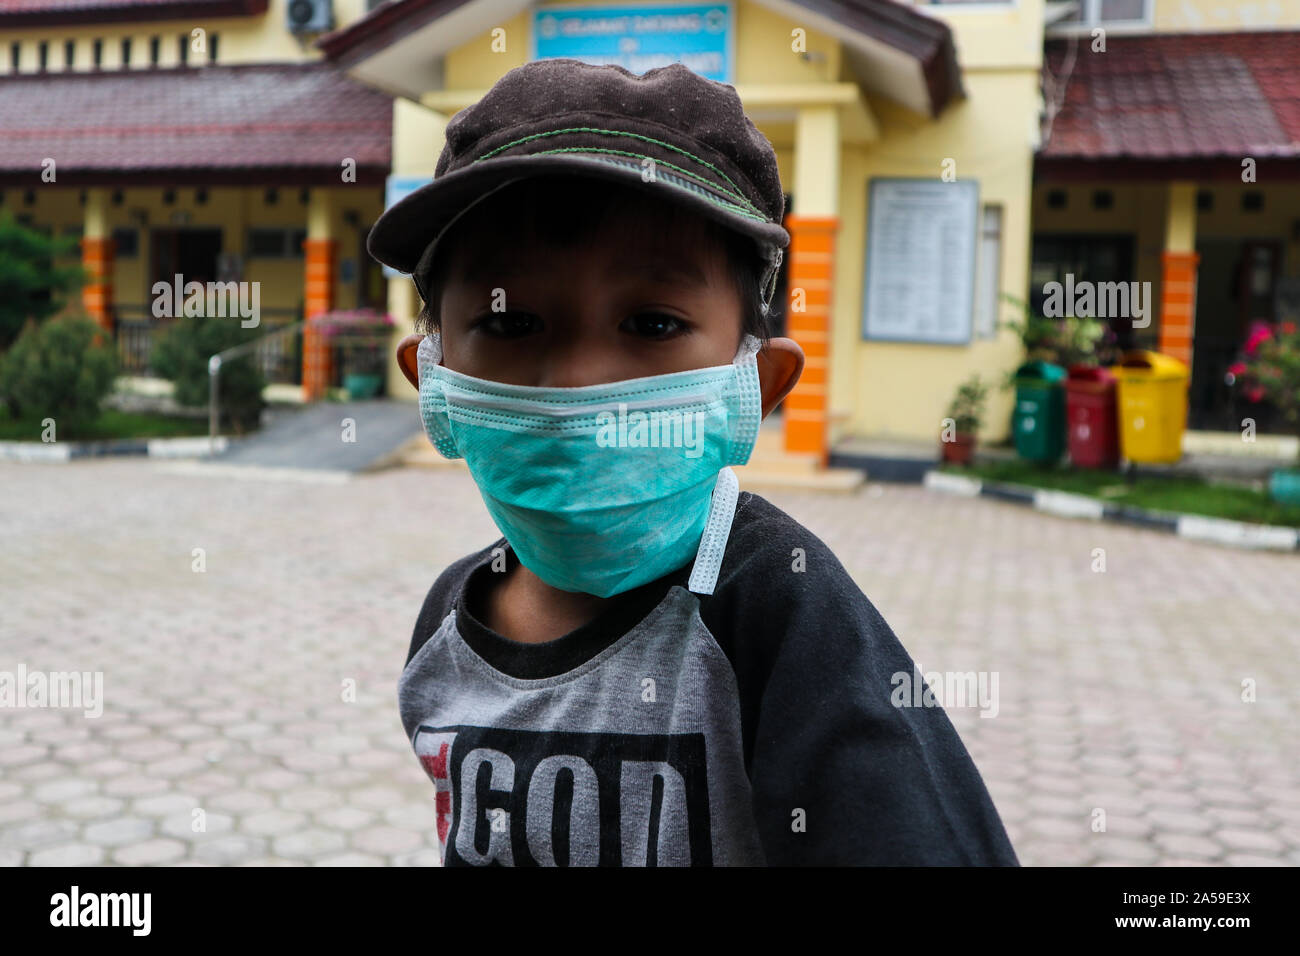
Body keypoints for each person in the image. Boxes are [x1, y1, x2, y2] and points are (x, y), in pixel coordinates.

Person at [369, 57, 1019, 867]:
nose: (578, 382)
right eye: (509, 324)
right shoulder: (445, 627)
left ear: (757, 386)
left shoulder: (778, 609)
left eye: (650, 323)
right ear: (434, 385)